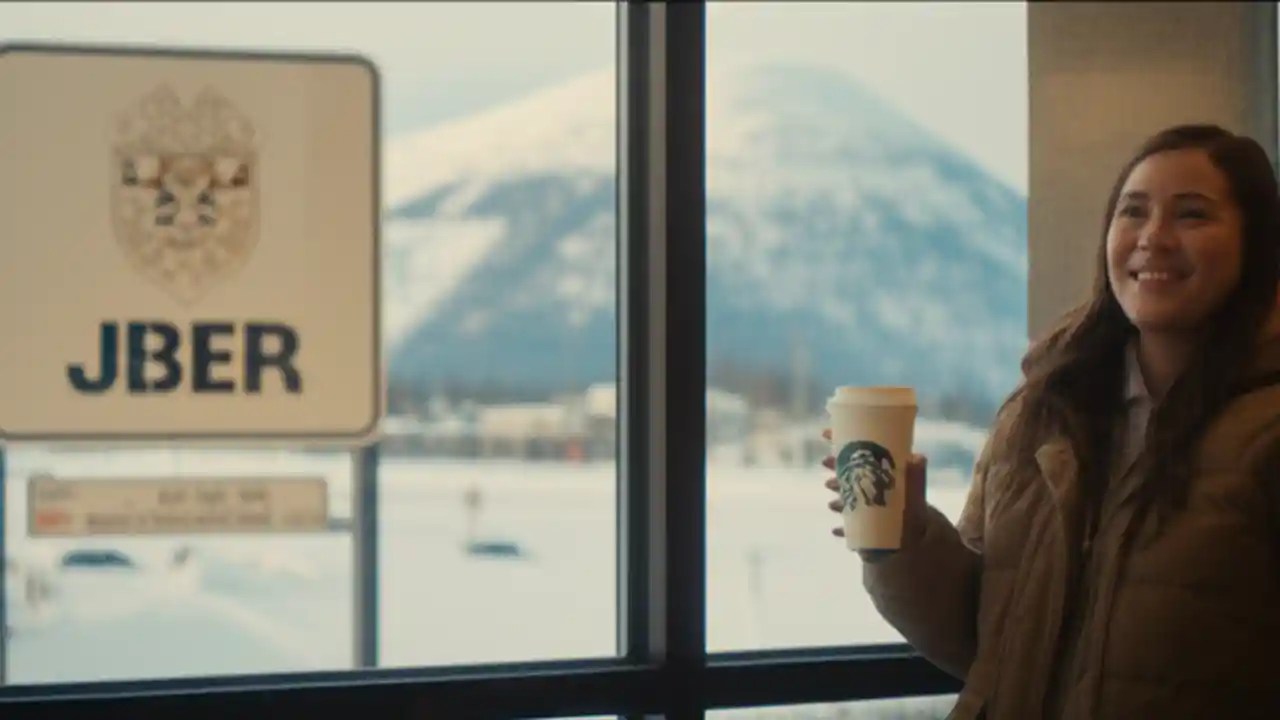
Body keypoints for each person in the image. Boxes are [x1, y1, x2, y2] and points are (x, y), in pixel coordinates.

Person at [822, 124, 1280, 720]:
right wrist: (904, 538)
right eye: (1132, 212)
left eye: (1192, 215)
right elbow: (984, 645)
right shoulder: (1040, 413)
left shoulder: (1264, 432)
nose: (1153, 237)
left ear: (1258, 245)